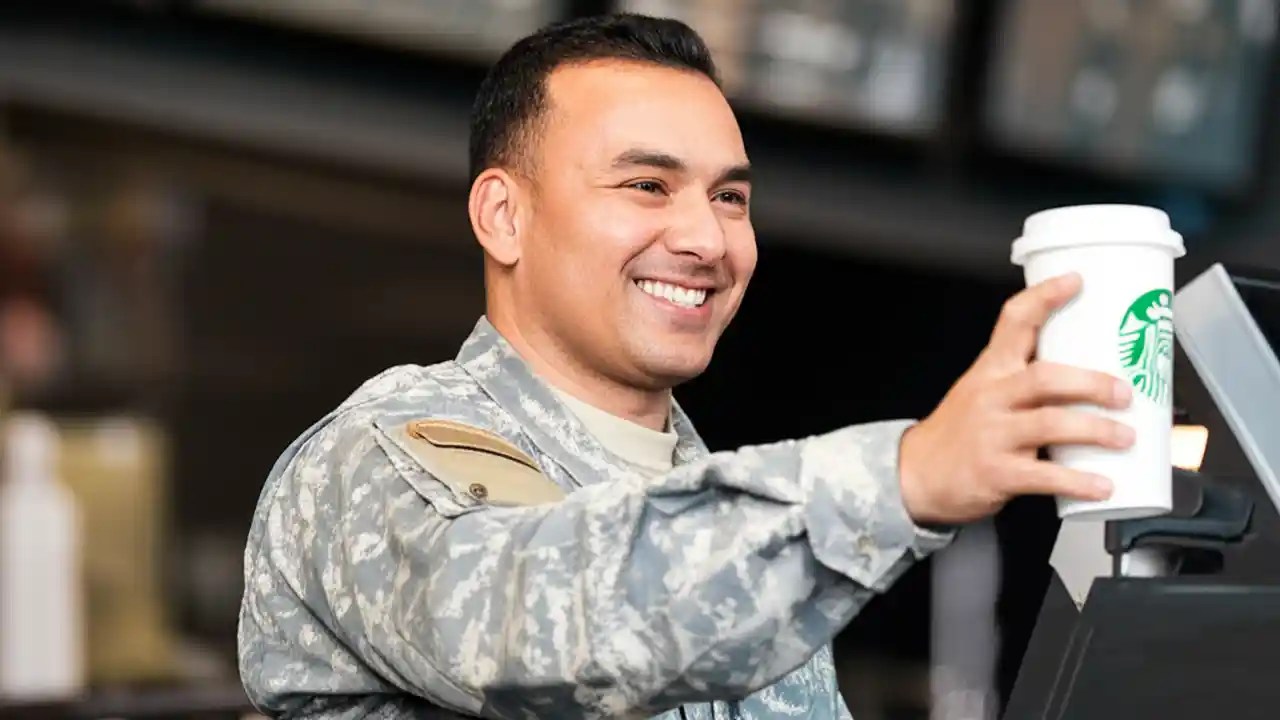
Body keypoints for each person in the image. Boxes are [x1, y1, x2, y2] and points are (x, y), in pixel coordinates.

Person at [237, 12, 1134, 720]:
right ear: (503, 216)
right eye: (647, 186)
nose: (707, 238)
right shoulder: (382, 451)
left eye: (730, 197)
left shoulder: (730, 515)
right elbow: (550, 625)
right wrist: (903, 480)